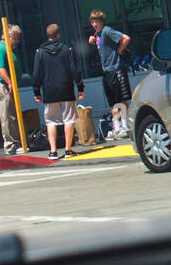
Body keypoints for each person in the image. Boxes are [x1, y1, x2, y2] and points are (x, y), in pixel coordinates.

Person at [32, 24, 84, 159]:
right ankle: (68, 149)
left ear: (48, 36)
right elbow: (75, 70)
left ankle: (53, 151)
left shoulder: (40, 52)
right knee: (69, 119)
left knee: (51, 121)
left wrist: (36, 91)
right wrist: (80, 87)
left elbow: (36, 74)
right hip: (66, 89)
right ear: (58, 35)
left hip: (49, 91)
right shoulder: (67, 49)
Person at [89, 10, 132, 139]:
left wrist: (119, 51)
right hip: (107, 70)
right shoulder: (98, 34)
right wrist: (93, 41)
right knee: (113, 101)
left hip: (116, 68)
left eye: (97, 21)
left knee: (121, 99)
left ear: (102, 21)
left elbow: (126, 38)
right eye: (92, 22)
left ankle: (125, 126)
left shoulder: (107, 31)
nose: (95, 24)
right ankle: (117, 127)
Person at [0, 25, 27, 154]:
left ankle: (15, 143)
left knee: (11, 114)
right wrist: (9, 82)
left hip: (7, 85)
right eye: (15, 38)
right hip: (2, 85)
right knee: (6, 115)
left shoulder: (6, 48)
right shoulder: (0, 49)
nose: (17, 41)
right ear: (8, 36)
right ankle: (11, 145)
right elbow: (0, 69)